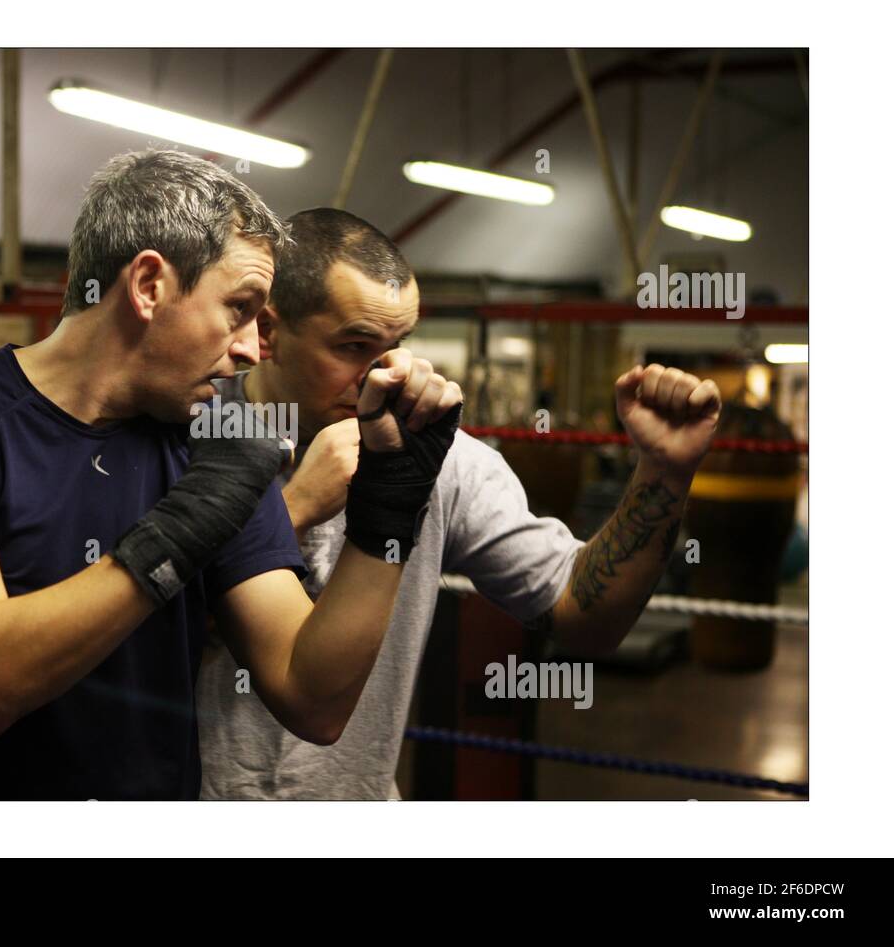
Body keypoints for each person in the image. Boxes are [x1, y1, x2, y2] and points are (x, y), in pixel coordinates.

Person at [0, 156, 462, 799]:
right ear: (149, 286)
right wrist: (188, 524)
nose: (251, 348)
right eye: (238, 308)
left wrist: (390, 502)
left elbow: (312, 699)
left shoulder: (215, 441)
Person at [196, 208, 722, 800]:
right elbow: (135, 629)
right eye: (353, 345)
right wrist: (293, 509)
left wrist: (664, 473)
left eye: (397, 346)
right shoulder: (189, 432)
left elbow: (585, 617)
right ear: (268, 332)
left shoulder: (438, 459)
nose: (384, 374)